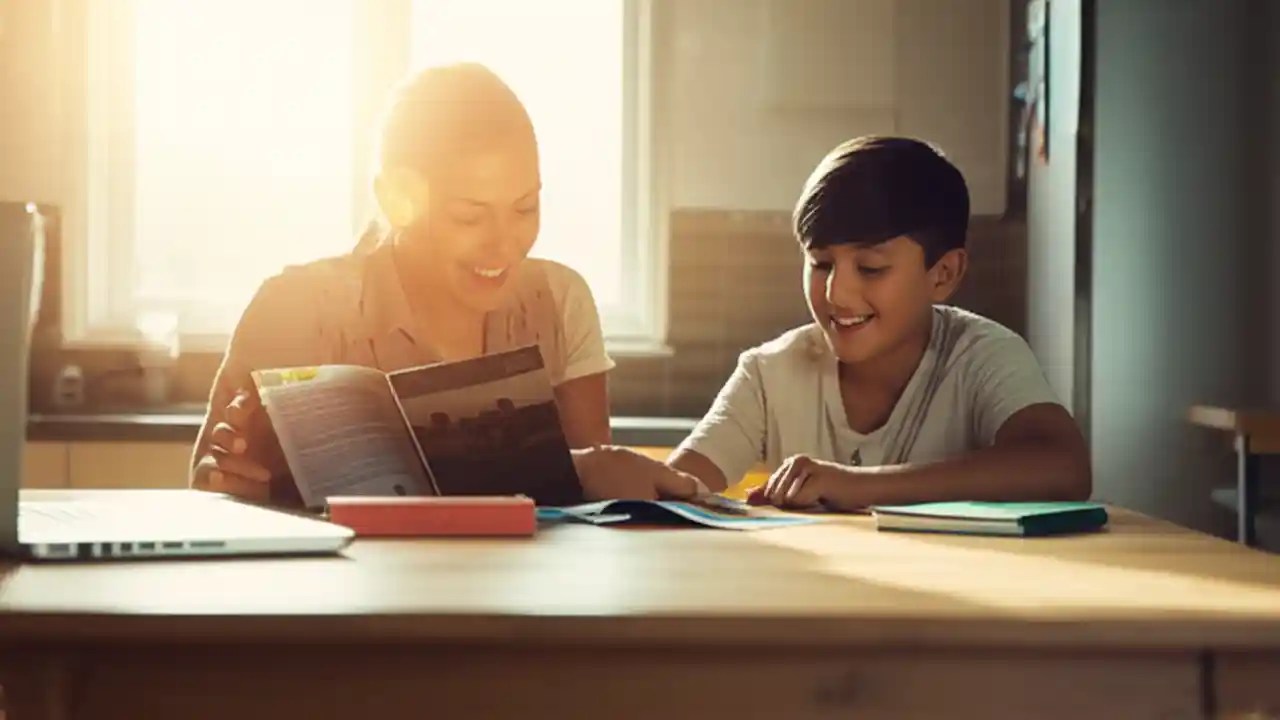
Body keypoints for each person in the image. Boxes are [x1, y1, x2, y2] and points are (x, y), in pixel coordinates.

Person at [190, 63, 617, 506]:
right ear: (396, 200)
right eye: (469, 216)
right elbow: (206, 496)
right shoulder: (294, 308)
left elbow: (590, 514)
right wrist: (229, 487)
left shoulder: (561, 301)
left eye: (525, 208)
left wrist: (610, 470)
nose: (504, 244)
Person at [610, 136, 1092, 510]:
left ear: (943, 274)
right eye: (820, 262)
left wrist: (858, 485)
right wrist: (612, 473)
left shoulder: (982, 355)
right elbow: (682, 488)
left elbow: (1062, 465)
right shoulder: (768, 374)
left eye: (871, 268)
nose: (836, 293)